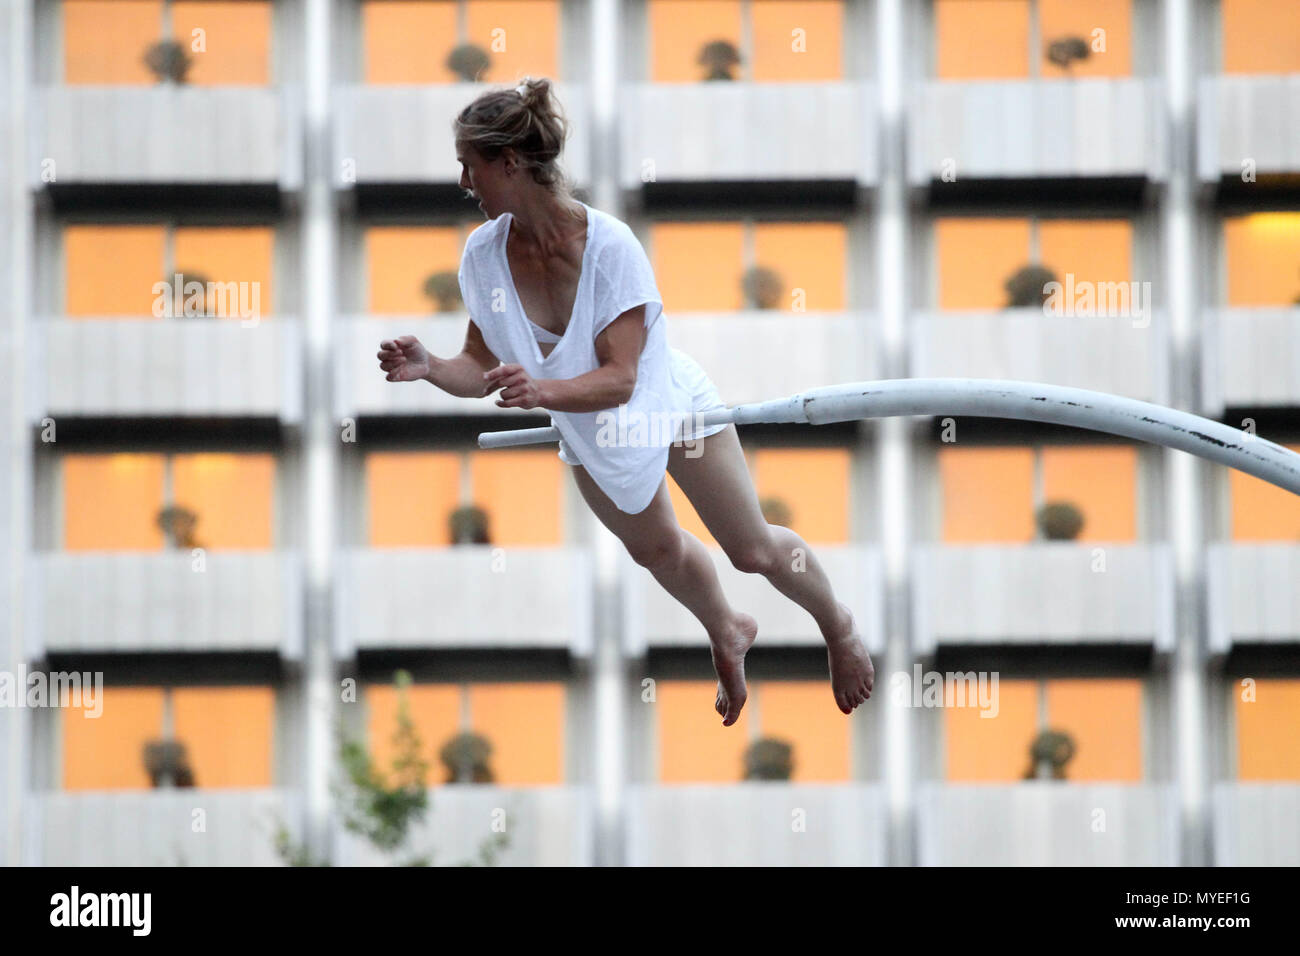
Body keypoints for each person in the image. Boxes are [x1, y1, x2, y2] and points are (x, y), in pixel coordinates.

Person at [376, 76, 873, 726]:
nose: (464, 182)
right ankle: (728, 629)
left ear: (511, 163)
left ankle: (838, 626)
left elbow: (624, 378)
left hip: (670, 407)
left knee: (750, 550)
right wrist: (432, 368)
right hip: (592, 438)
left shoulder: (608, 250)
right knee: (657, 550)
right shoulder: (483, 258)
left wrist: (543, 390)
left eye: (470, 166)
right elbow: (479, 365)